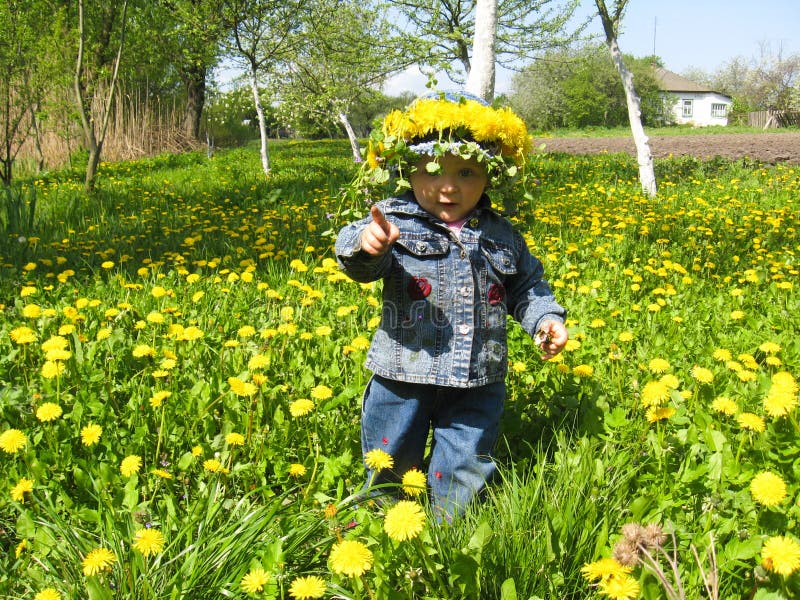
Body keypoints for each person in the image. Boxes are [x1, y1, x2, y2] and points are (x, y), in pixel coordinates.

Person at [335, 90, 568, 519]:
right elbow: (359, 259)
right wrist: (369, 247)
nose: (447, 186)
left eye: (465, 172)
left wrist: (545, 318)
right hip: (402, 373)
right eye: (432, 170)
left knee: (464, 464)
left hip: (480, 376)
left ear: (491, 176)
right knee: (389, 460)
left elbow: (527, 287)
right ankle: (387, 531)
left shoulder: (503, 234)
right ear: (407, 171)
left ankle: (449, 535)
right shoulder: (392, 220)